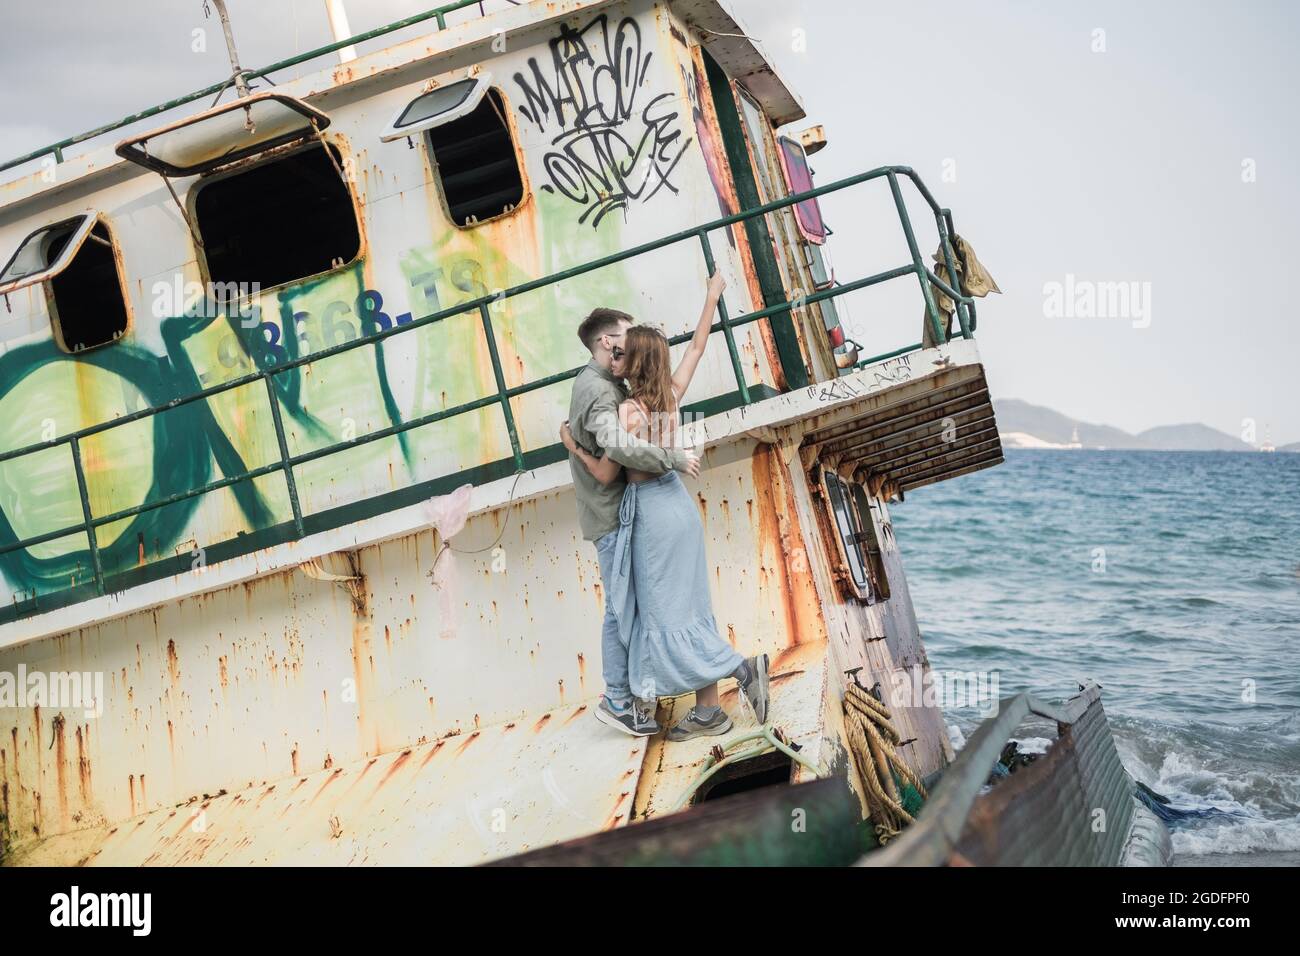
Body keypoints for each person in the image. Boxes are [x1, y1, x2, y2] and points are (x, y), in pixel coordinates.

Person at [561, 272, 770, 742]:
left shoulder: (629, 412)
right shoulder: (671, 396)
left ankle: (742, 668)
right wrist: (712, 297)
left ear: (633, 362)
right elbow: (697, 346)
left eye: (623, 352)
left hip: (652, 516)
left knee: (663, 617)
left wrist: (573, 444)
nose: (617, 357)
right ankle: (708, 712)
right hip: (679, 505)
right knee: (692, 608)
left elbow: (606, 471)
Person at [563, 304, 701, 738]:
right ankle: (619, 699)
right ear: (607, 343)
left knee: (632, 606)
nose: (628, 345)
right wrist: (672, 458)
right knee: (622, 609)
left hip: (625, 510)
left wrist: (572, 444)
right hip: (613, 515)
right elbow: (615, 452)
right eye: (624, 338)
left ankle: (635, 694)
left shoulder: (606, 387)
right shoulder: (604, 394)